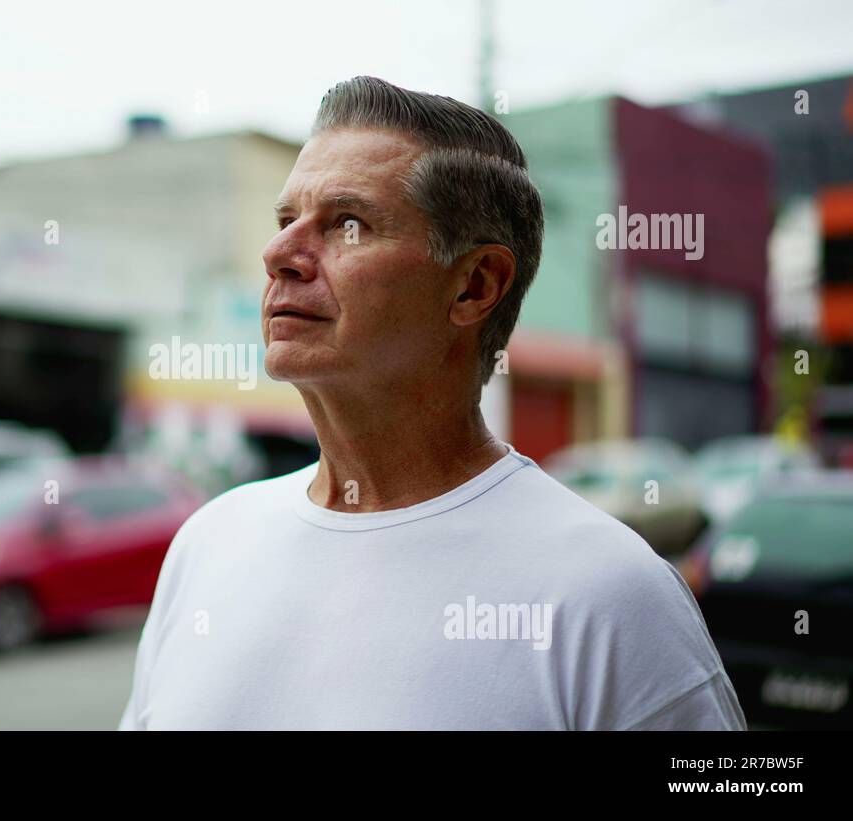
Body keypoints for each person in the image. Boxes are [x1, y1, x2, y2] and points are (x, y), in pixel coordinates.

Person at [118, 76, 745, 730]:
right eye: (285, 221)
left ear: (474, 285)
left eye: (347, 223)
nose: (279, 254)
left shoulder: (611, 599)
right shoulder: (209, 544)